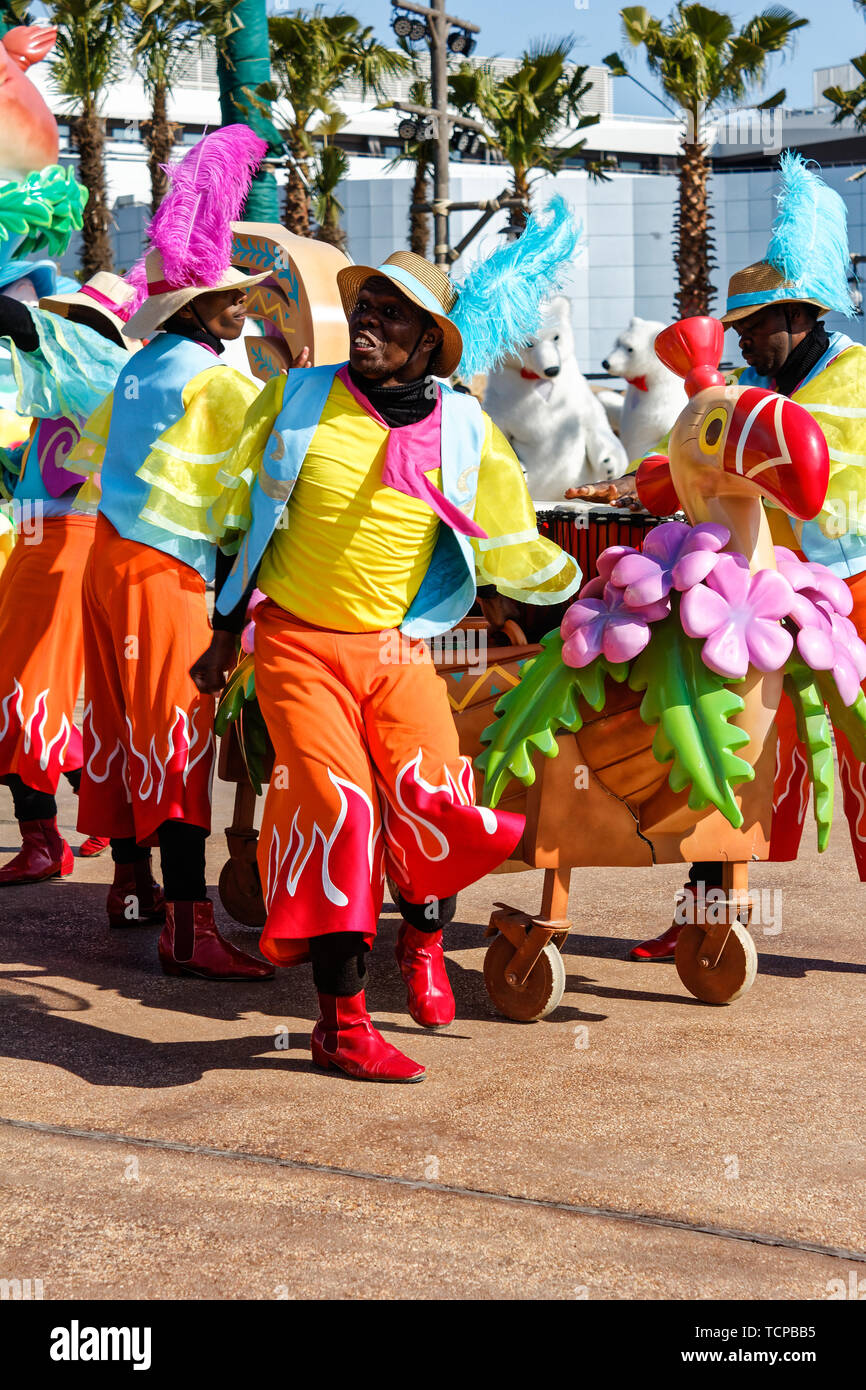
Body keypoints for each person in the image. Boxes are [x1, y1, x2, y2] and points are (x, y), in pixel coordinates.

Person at [189, 250, 581, 1081]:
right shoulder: (296, 398)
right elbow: (240, 520)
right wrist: (225, 634)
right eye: (364, 304)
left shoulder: (466, 426)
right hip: (297, 641)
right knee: (338, 811)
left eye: (390, 312)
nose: (367, 320)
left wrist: (568, 607)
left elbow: (504, 541)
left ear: (427, 345)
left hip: (400, 644)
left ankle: (426, 943)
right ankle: (343, 1021)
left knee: (438, 799)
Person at [630, 152, 866, 960]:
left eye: (761, 325)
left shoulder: (857, 378)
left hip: (853, 597)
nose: (749, 340)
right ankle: (705, 915)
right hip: (758, 601)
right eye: (741, 329)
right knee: (732, 748)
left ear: (803, 318)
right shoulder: (746, 395)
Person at [69, 126, 277, 980]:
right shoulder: (222, 380)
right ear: (191, 306)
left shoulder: (139, 364)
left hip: (106, 562)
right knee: (178, 738)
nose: (245, 307)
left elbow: (96, 465)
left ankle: (131, 887)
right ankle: (189, 931)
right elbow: (254, 502)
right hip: (166, 575)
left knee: (122, 726)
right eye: (231, 298)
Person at [0, 273, 134, 885]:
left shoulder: (96, 364)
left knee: (23, 693)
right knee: (30, 694)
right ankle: (103, 815)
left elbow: (22, 324)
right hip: (36, 548)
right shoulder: (67, 389)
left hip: (62, 549)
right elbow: (25, 476)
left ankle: (44, 840)